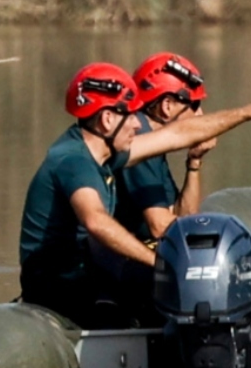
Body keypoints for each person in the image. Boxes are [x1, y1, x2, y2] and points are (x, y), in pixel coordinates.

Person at [20, 63, 251, 328]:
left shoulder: (104, 154)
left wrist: (245, 113)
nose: (135, 124)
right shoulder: (73, 160)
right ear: (107, 120)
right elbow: (95, 221)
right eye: (129, 115)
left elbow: (178, 134)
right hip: (60, 284)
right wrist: (159, 262)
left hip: (89, 273)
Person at [114, 53, 212, 242]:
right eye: (195, 105)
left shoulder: (155, 146)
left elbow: (183, 217)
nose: (201, 114)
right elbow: (160, 226)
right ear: (167, 106)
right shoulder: (139, 137)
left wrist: (194, 161)